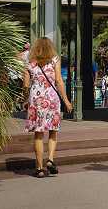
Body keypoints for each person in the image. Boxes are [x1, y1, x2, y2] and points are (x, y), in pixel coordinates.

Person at [23, 37, 73, 178]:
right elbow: (58, 81)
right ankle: (50, 159)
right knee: (53, 132)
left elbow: (26, 85)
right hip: (52, 99)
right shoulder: (55, 60)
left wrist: (25, 99)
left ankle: (39, 168)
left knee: (38, 134)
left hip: (36, 100)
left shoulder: (29, 63)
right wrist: (66, 100)